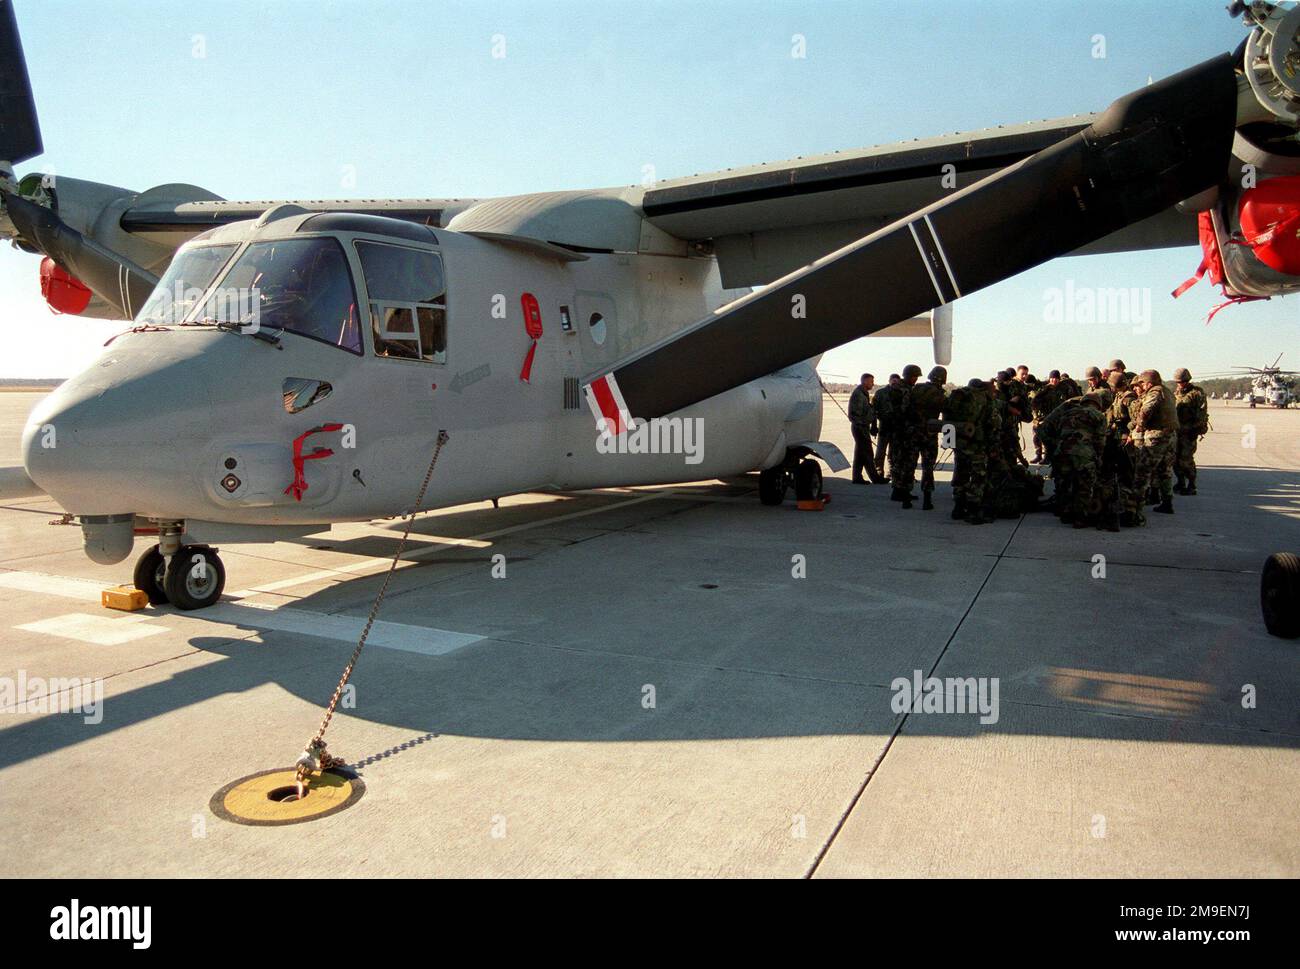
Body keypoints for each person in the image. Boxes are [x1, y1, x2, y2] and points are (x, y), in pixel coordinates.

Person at [1039, 395, 1108, 528]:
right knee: (1084, 485)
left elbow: (1055, 431)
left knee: (1064, 483)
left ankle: (1065, 513)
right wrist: (1098, 458)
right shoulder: (1098, 415)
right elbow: (1100, 441)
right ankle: (1080, 518)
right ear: (1097, 404)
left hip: (1062, 453)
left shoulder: (1068, 413)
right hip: (1083, 454)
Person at [944, 378, 995, 524]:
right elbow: (992, 423)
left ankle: (958, 508)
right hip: (977, 444)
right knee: (978, 477)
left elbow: (947, 419)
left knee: (961, 473)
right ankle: (973, 511)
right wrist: (992, 445)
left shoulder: (957, 397)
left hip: (959, 443)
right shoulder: (984, 399)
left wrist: (950, 442)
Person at [1131, 369, 1179, 515]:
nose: (1142, 386)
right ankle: (1167, 502)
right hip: (1170, 436)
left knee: (1143, 471)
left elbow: (1147, 409)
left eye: (1143, 383)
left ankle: (1135, 508)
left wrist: (1139, 425)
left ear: (1149, 383)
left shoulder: (1155, 392)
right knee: (1165, 470)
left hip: (1156, 436)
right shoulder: (1168, 392)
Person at [910, 366, 948, 510]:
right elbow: (947, 414)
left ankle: (905, 497)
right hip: (929, 434)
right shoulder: (939, 394)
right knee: (928, 467)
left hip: (913, 432)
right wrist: (949, 437)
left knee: (910, 463)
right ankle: (927, 499)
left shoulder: (917, 388)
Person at [890, 364, 924, 508]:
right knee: (906, 462)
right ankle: (902, 491)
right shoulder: (903, 390)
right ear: (908, 376)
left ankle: (899, 490)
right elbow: (903, 411)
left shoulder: (899, 389)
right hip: (904, 431)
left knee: (899, 461)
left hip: (900, 431)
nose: (915, 379)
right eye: (914, 376)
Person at [1173, 367, 1208, 495]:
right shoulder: (1177, 393)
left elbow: (1202, 414)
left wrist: (1196, 429)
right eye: (1178, 382)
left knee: (1186, 460)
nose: (1180, 384)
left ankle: (1192, 485)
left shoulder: (1196, 393)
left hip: (1189, 432)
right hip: (1177, 431)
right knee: (1175, 459)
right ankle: (1180, 482)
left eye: (1182, 381)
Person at [848, 373, 885, 484]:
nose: (873, 384)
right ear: (864, 381)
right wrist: (861, 427)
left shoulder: (863, 394)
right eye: (871, 381)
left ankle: (857, 477)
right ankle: (875, 478)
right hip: (860, 428)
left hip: (863, 427)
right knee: (867, 454)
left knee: (860, 454)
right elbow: (854, 414)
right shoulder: (858, 395)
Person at [1029, 370, 1063, 464]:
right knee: (1036, 437)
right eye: (1052, 378)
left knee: (1048, 439)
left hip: (1054, 418)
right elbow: (1034, 401)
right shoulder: (1044, 389)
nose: (1054, 380)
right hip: (1041, 417)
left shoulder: (1061, 390)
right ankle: (1038, 455)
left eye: (1056, 378)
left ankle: (1047, 456)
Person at [873, 374, 901, 480]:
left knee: (893, 452)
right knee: (880, 451)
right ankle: (879, 471)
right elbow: (874, 411)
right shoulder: (880, 393)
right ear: (889, 381)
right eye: (893, 380)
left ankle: (892, 472)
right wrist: (874, 426)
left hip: (896, 427)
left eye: (896, 381)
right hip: (884, 426)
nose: (894, 382)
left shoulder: (902, 393)